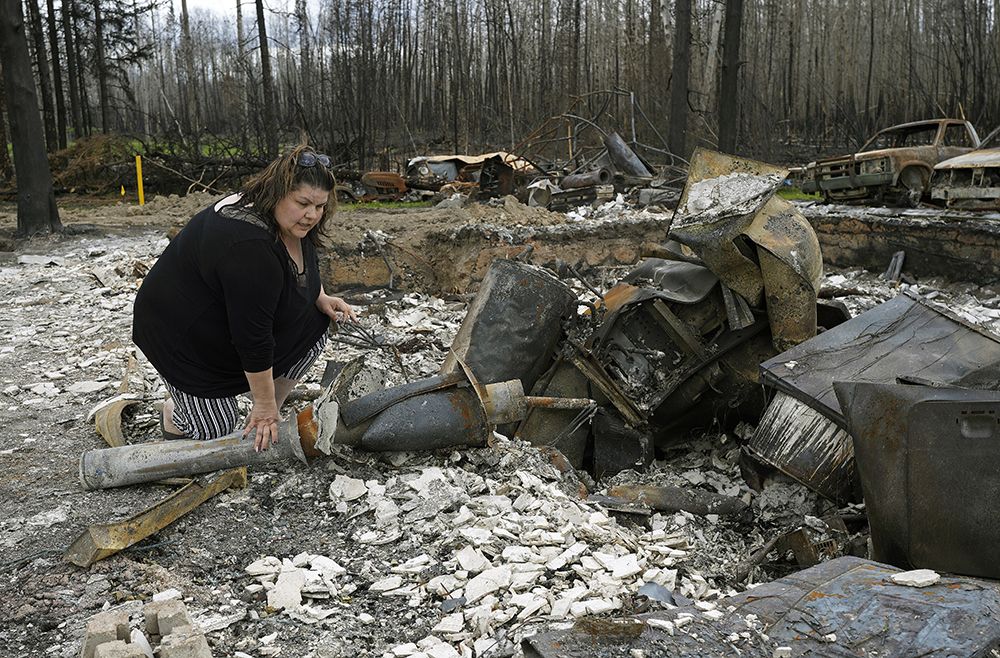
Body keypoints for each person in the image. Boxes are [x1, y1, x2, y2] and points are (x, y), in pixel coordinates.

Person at [132, 145, 356, 451]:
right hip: (180, 332)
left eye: (319, 206)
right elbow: (253, 338)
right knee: (215, 429)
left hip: (223, 319)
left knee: (314, 323)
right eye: (303, 203)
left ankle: (265, 411)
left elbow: (297, 268)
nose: (312, 215)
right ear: (278, 192)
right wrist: (262, 403)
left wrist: (320, 296)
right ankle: (179, 412)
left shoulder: (282, 218)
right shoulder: (248, 245)